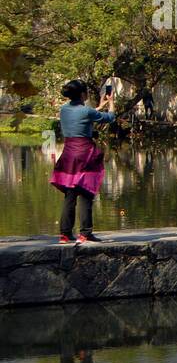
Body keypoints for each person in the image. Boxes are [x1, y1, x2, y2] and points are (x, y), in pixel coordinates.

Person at [50, 80, 114, 244]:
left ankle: (65, 234)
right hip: (85, 154)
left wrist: (99, 107)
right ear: (83, 94)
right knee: (86, 193)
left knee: (70, 195)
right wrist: (111, 103)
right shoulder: (86, 111)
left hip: (69, 154)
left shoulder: (63, 109)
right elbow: (110, 118)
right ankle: (85, 233)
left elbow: (83, 115)